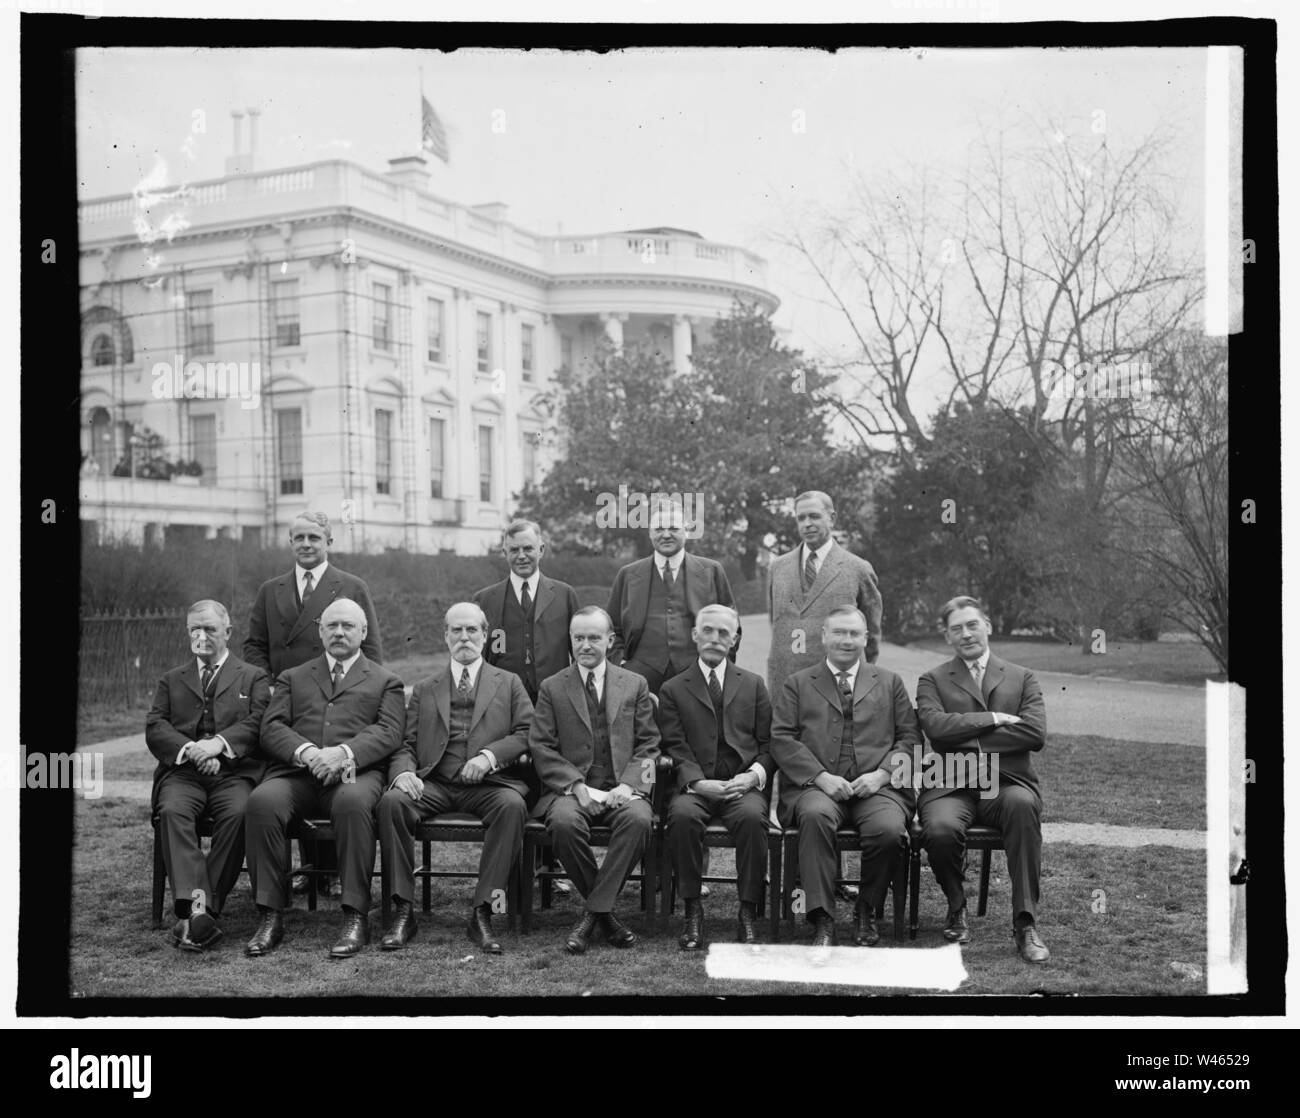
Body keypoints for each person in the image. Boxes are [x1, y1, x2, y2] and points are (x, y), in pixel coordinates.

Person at [243, 599, 405, 958]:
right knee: (262, 802)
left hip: (352, 774)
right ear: (320, 631)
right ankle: (270, 914)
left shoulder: (385, 681)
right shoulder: (293, 676)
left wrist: (342, 753)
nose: (339, 632)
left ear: (363, 632)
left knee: (352, 803)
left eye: (348, 625)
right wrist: (306, 752)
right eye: (331, 625)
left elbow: (390, 731)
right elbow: (271, 728)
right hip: (298, 773)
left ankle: (354, 914)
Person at [377, 603, 533, 955]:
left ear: (485, 635)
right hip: (435, 782)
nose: (464, 637)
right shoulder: (425, 688)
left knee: (512, 807)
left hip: (489, 787)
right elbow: (406, 742)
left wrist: (489, 756)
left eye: (472, 630)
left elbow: (528, 731)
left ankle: (484, 911)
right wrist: (403, 772)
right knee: (392, 803)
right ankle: (404, 910)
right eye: (457, 631)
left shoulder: (508, 683)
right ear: (446, 636)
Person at [243, 510, 383, 896]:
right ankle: (310, 867)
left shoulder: (351, 585)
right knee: (298, 775)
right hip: (291, 700)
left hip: (341, 697)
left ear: (329, 543)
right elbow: (254, 645)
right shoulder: (271, 589)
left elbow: (371, 650)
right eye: (299, 538)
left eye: (314, 538)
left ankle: (336, 870)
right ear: (290, 542)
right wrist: (268, 686)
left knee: (339, 779)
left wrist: (367, 694)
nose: (306, 545)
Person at [770, 606, 919, 947]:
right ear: (823, 636)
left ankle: (866, 908)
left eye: (854, 633)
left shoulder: (891, 682)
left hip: (877, 789)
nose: (846, 640)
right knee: (814, 816)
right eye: (839, 632)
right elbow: (782, 737)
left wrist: (882, 775)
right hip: (817, 788)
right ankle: (822, 917)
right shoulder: (797, 684)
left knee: (889, 830)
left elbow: (910, 738)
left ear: (866, 638)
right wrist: (820, 777)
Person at [915, 596, 1049, 963]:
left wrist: (965, 738)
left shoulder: (1022, 677)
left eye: (972, 624)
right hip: (949, 783)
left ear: (987, 625)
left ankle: (1026, 924)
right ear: (947, 637)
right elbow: (936, 729)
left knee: (1023, 808)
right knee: (940, 829)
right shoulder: (933, 679)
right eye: (956, 629)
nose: (966, 633)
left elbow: (1034, 734)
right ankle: (956, 905)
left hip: (1007, 783)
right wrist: (993, 719)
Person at [528, 606, 661, 955]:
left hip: (622, 788)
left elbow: (650, 744)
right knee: (563, 823)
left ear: (610, 640)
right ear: (571, 641)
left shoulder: (635, 684)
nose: (586, 645)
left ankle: (592, 914)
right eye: (579, 638)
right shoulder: (552, 687)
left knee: (639, 821)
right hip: (573, 789)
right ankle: (606, 916)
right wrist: (575, 786)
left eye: (594, 637)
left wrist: (629, 786)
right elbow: (541, 745)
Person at [145, 600, 270, 951]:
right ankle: (201, 911)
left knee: (240, 813)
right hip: (183, 774)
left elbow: (259, 723)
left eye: (210, 629)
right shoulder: (172, 679)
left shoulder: (253, 676)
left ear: (228, 632)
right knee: (172, 812)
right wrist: (192, 752)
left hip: (234, 774)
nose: (202, 636)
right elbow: (156, 727)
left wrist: (218, 745)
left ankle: (195, 913)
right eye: (194, 630)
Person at [658, 605, 774, 949]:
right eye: (707, 630)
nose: (715, 638)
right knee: (681, 818)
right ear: (695, 635)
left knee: (754, 819)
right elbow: (673, 745)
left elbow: (769, 744)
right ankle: (693, 909)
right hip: (696, 786)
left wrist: (753, 777)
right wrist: (695, 781)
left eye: (724, 633)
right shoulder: (673, 688)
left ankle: (748, 911)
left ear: (735, 639)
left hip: (742, 786)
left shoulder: (753, 685)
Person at [605, 500, 737, 696]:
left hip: (698, 679)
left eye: (674, 528)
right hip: (639, 681)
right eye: (658, 529)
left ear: (687, 531)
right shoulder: (628, 575)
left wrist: (716, 667)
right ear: (650, 533)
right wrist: (622, 666)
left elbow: (733, 627)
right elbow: (611, 629)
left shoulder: (711, 571)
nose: (666, 534)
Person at [766, 490, 883, 687]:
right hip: (785, 683)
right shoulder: (777, 568)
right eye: (801, 518)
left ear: (832, 518)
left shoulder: (858, 569)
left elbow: (871, 634)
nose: (807, 524)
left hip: (837, 684)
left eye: (814, 516)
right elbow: (776, 623)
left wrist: (854, 674)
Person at [473, 519, 579, 705]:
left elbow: (578, 651)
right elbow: (477, 657)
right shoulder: (485, 600)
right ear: (505, 553)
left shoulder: (565, 595)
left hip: (555, 699)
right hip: (502, 701)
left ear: (541, 550)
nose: (521, 556)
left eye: (528, 548)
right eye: (514, 550)